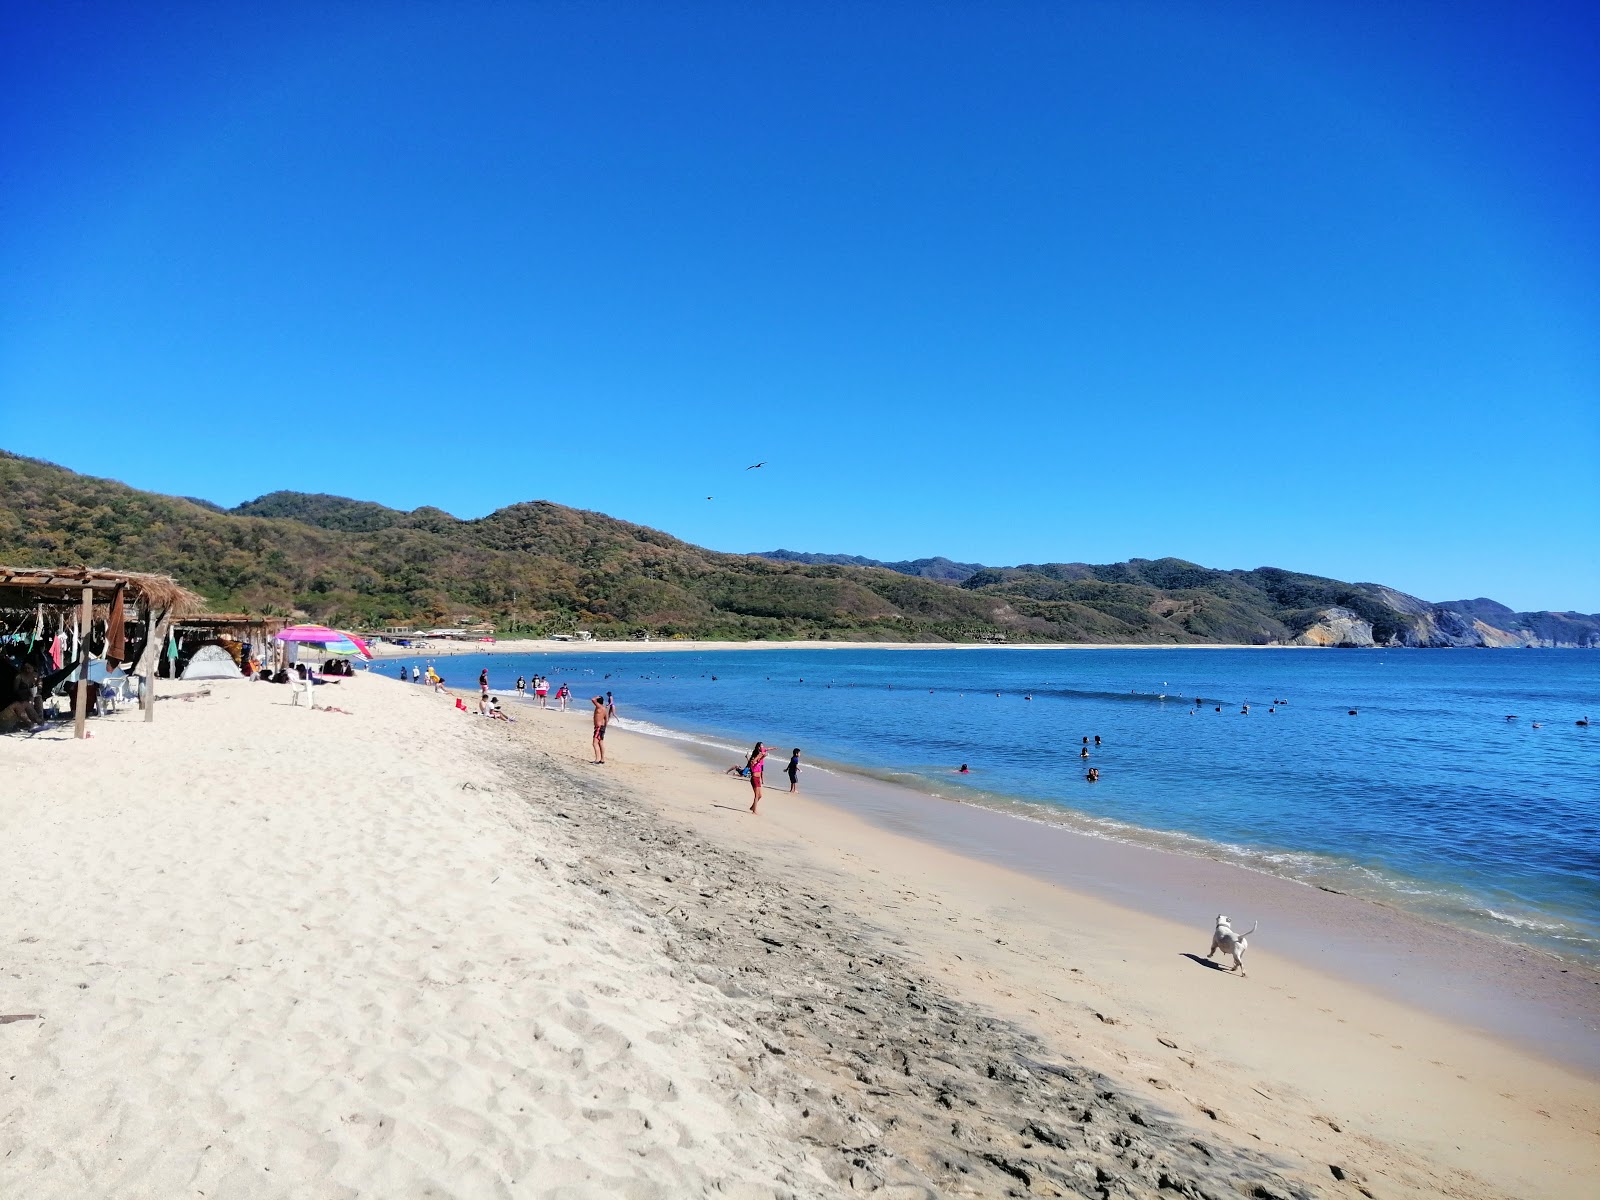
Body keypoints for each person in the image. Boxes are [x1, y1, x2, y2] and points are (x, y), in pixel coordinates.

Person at [745, 742, 770, 813]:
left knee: (760, 796)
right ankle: (754, 811)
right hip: (754, 778)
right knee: (756, 795)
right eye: (761, 746)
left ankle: (752, 807)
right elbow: (752, 763)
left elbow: (761, 758)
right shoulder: (753, 759)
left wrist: (764, 756)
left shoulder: (758, 759)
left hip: (758, 779)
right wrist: (758, 756)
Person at [591, 695, 609, 763]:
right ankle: (602, 759)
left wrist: (596, 697)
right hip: (602, 727)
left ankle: (597, 759)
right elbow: (606, 719)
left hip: (598, 728)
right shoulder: (604, 709)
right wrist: (605, 727)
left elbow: (593, 699)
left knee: (594, 743)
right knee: (600, 742)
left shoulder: (599, 707)